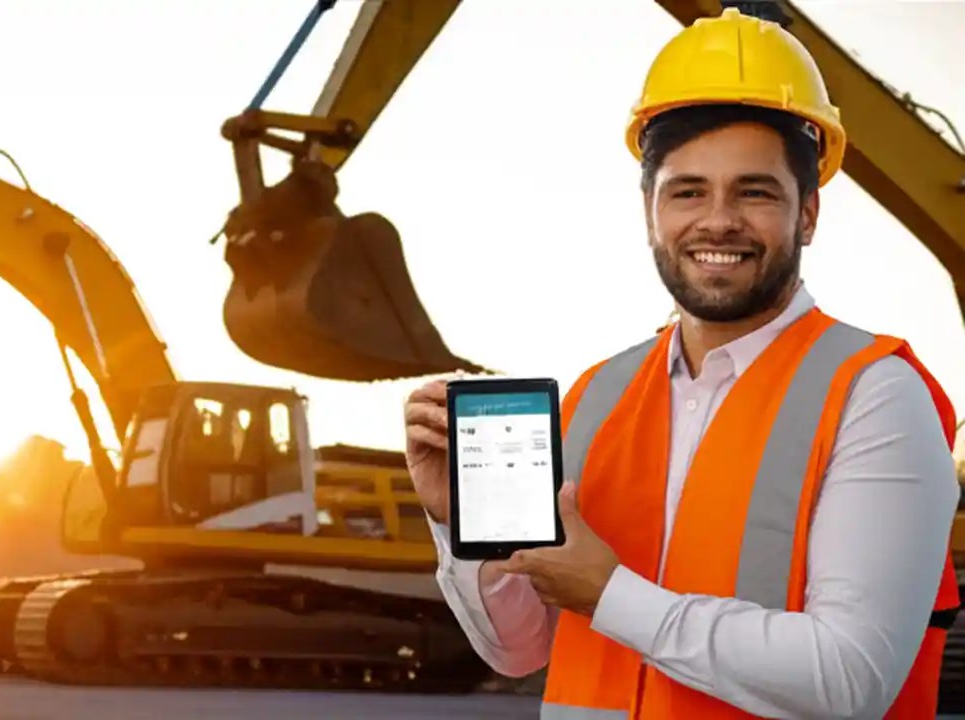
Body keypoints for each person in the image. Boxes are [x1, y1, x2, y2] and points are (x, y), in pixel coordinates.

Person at [403, 6, 962, 719]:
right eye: (688, 191)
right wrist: (459, 525)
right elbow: (521, 648)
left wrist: (611, 594)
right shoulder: (596, 395)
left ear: (810, 214)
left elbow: (850, 678)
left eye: (755, 192)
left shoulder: (876, 395)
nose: (718, 220)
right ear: (650, 211)